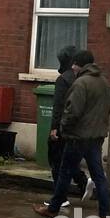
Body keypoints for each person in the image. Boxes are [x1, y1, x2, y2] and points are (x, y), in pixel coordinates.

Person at [35, 49, 110, 218]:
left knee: (64, 172)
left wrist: (63, 128)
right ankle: (105, 213)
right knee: (99, 176)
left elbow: (72, 112)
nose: (73, 67)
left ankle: (53, 208)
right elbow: (107, 109)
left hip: (78, 137)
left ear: (80, 65)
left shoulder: (81, 83)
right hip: (96, 136)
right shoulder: (103, 82)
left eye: (75, 64)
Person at [48, 45, 88, 197]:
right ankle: (82, 182)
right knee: (69, 160)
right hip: (78, 126)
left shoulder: (63, 80)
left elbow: (58, 106)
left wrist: (54, 127)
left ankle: (60, 196)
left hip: (63, 125)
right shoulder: (82, 79)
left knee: (56, 160)